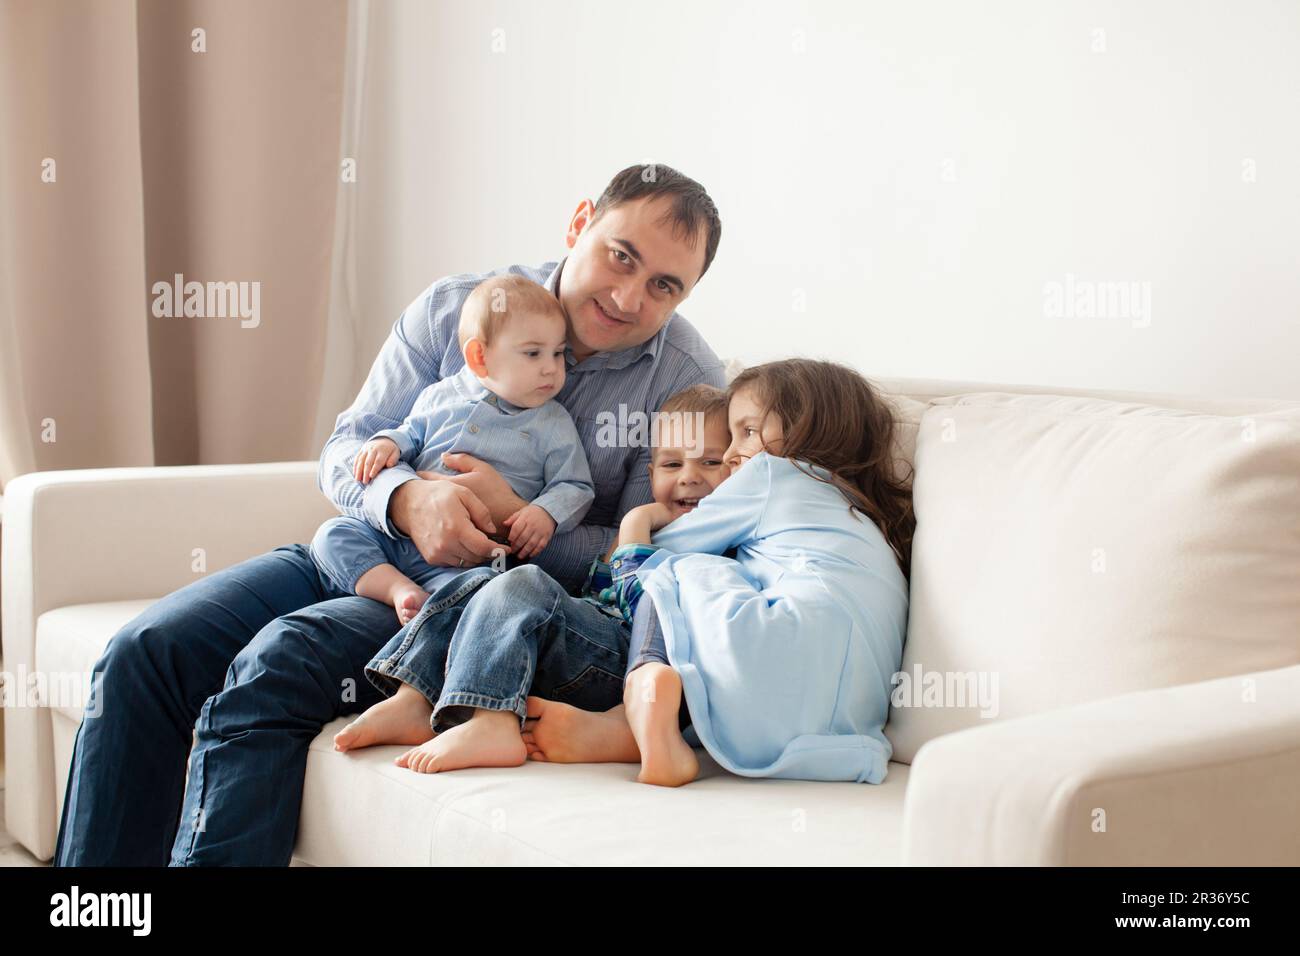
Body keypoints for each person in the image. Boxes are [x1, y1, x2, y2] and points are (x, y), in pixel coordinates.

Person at [53, 163, 724, 866]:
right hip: (358, 550)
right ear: (581, 221)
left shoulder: (686, 382)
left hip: (455, 604)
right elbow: (346, 447)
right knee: (146, 651)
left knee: (274, 661)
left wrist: (520, 519)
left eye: (664, 286)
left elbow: (652, 558)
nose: (627, 295)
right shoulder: (454, 309)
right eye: (622, 256)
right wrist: (407, 497)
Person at [529, 359, 916, 788]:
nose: (732, 455)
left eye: (747, 432)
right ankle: (671, 732)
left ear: (810, 428)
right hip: (845, 723)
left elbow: (649, 560)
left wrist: (637, 519)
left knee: (682, 569)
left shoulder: (772, 474)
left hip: (776, 654)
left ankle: (637, 702)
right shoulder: (864, 516)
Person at [330, 385, 731, 773]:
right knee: (481, 583)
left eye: (710, 463)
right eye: (673, 464)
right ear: (652, 471)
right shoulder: (658, 526)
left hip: (621, 667)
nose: (689, 477)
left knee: (525, 582)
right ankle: (417, 696)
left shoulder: (718, 541)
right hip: (582, 648)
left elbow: (640, 601)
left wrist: (636, 523)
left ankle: (494, 722)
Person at [310, 274, 595, 625]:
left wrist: (545, 513)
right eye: (533, 353)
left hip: (465, 561)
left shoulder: (552, 423)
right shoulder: (442, 394)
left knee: (489, 591)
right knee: (331, 536)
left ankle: (426, 611)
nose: (551, 368)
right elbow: (410, 434)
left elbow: (575, 486)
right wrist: (387, 444)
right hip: (394, 538)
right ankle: (397, 589)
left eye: (558, 353)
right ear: (479, 357)